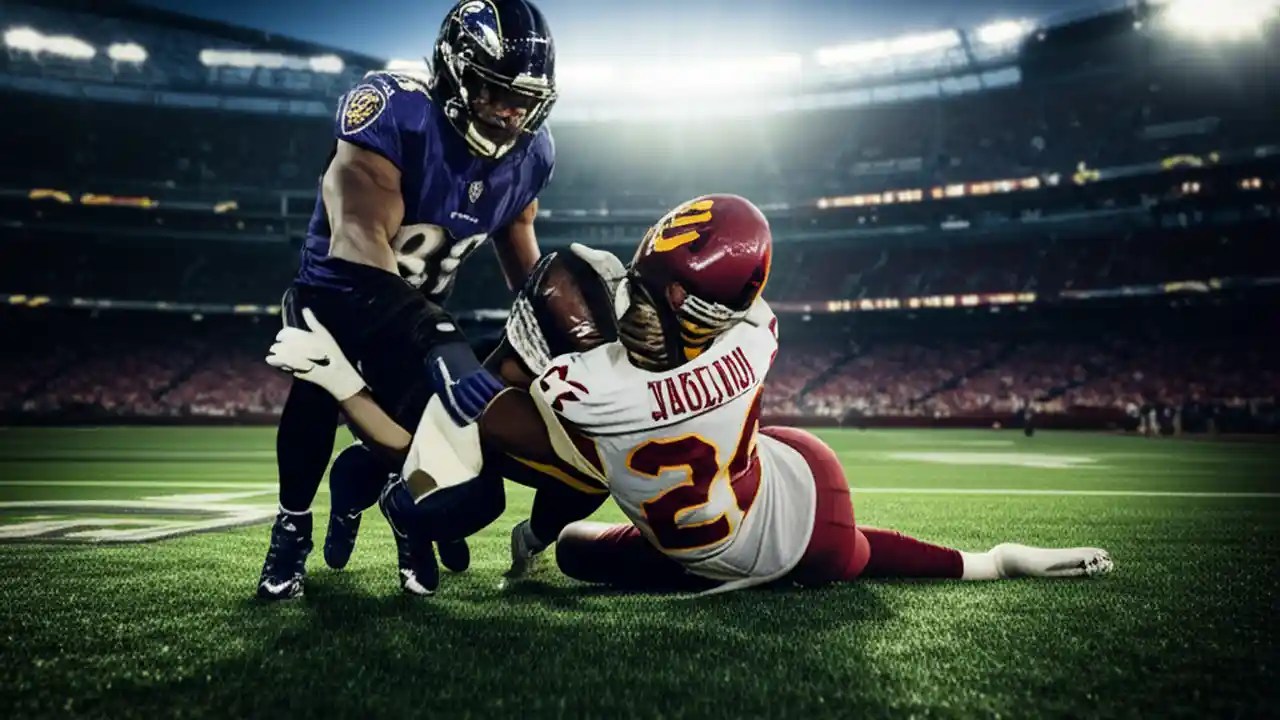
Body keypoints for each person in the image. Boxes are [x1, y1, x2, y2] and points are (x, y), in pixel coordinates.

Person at [270, 195, 1114, 595]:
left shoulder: (587, 390)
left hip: (733, 534)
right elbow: (733, 302)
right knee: (844, 552)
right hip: (786, 488)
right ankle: (989, 562)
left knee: (557, 538)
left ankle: (411, 510)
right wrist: (989, 562)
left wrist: (340, 379)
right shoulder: (757, 338)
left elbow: (456, 415)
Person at [258, 0, 558, 600]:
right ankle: (291, 528)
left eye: (524, 99)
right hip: (339, 292)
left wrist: (555, 331)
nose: (510, 112)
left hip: (417, 311)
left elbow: (520, 247)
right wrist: (435, 333)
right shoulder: (396, 111)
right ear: (455, 71)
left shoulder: (533, 154)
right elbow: (359, 238)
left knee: (435, 441)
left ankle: (407, 522)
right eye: (496, 92)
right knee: (315, 395)